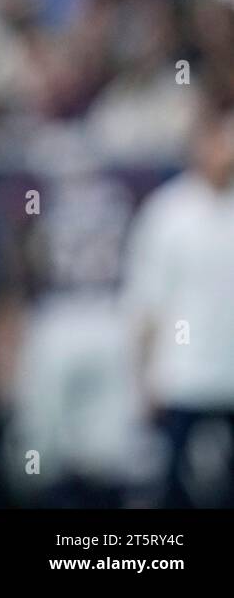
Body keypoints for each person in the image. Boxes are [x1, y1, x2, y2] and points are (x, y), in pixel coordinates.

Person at [123, 97, 234, 507]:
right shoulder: (167, 214)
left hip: (230, 377)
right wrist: (143, 378)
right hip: (183, 378)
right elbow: (146, 302)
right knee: (174, 490)